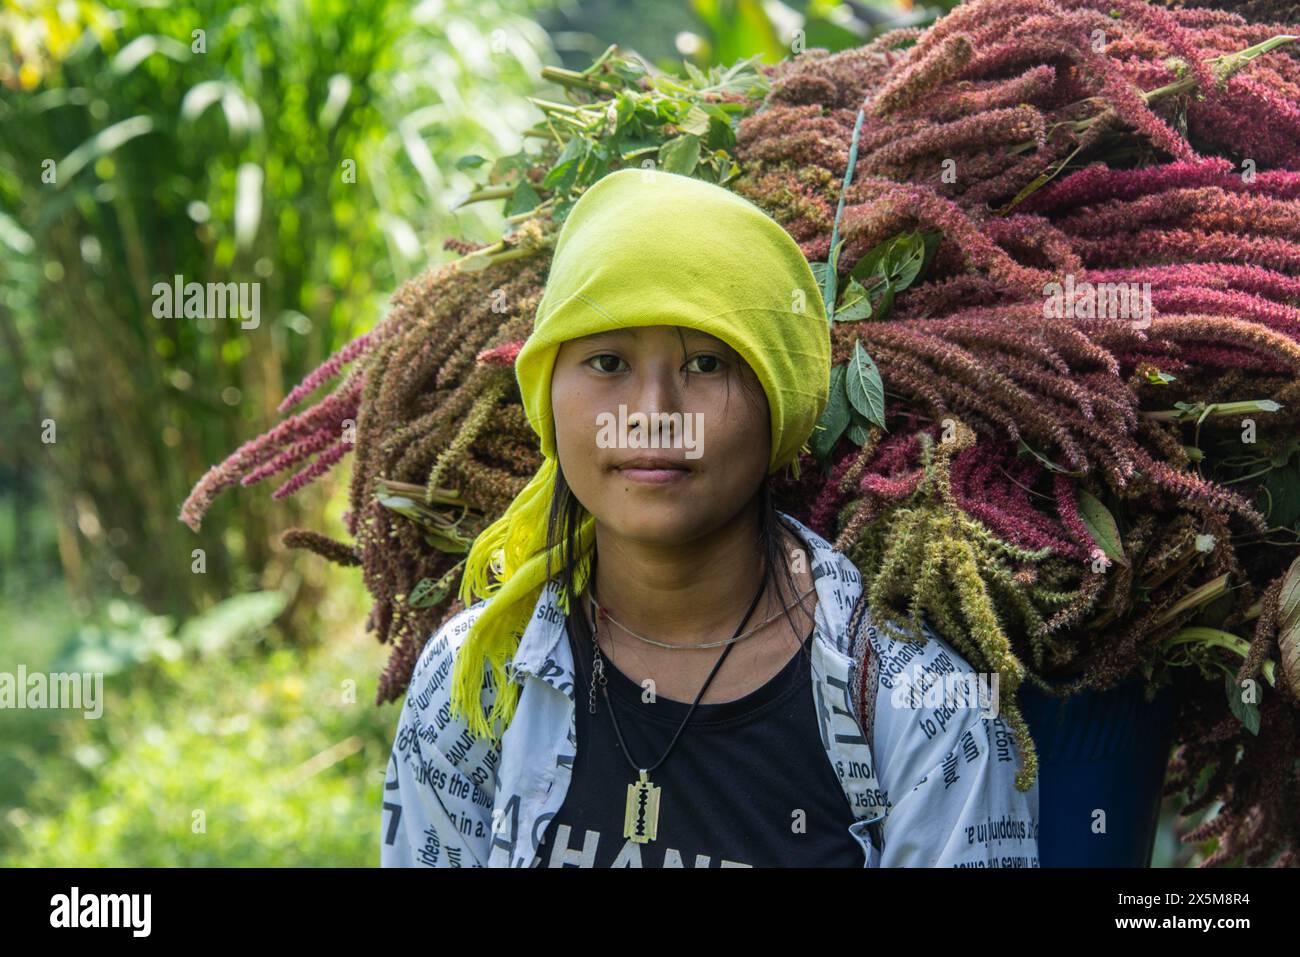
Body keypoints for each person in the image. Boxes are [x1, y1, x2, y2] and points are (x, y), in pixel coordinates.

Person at [380, 167, 1039, 868]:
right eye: (607, 361)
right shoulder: (477, 683)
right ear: (549, 397)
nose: (654, 414)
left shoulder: (924, 714)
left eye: (704, 363)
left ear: (777, 403)